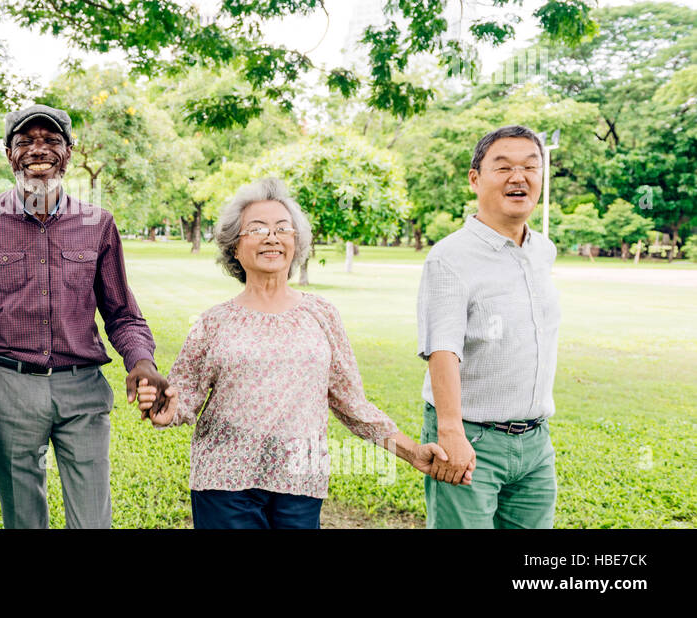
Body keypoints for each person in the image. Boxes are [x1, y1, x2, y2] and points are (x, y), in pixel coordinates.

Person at [137, 178, 461, 529]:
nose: (272, 237)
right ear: (234, 247)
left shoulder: (321, 314)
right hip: (224, 485)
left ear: (296, 242)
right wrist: (165, 410)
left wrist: (413, 452)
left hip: (300, 481)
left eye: (282, 228)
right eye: (257, 229)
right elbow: (182, 397)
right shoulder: (214, 321)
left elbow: (353, 405)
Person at [0, 103, 168, 529]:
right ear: (9, 154)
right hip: (11, 390)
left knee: (92, 521)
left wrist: (142, 362)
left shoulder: (98, 223)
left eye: (51, 140)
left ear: (69, 153)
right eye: (25, 141)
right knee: (22, 520)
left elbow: (122, 314)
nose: (38, 149)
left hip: (83, 390)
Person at [416, 125, 561, 528]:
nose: (520, 177)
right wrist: (451, 432)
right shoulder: (450, 257)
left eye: (531, 166)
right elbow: (442, 348)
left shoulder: (542, 250)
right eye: (504, 167)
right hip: (471, 438)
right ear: (475, 179)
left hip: (535, 442)